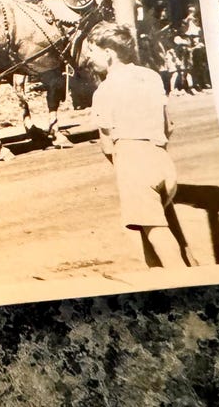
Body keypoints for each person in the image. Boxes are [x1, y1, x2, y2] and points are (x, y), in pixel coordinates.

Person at [84, 22, 198, 269]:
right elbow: (168, 126)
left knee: (157, 234)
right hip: (162, 159)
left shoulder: (104, 90)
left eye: (91, 51)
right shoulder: (151, 77)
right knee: (164, 224)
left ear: (108, 53)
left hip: (133, 160)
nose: (88, 58)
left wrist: (127, 166)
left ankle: (183, 280)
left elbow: (107, 146)